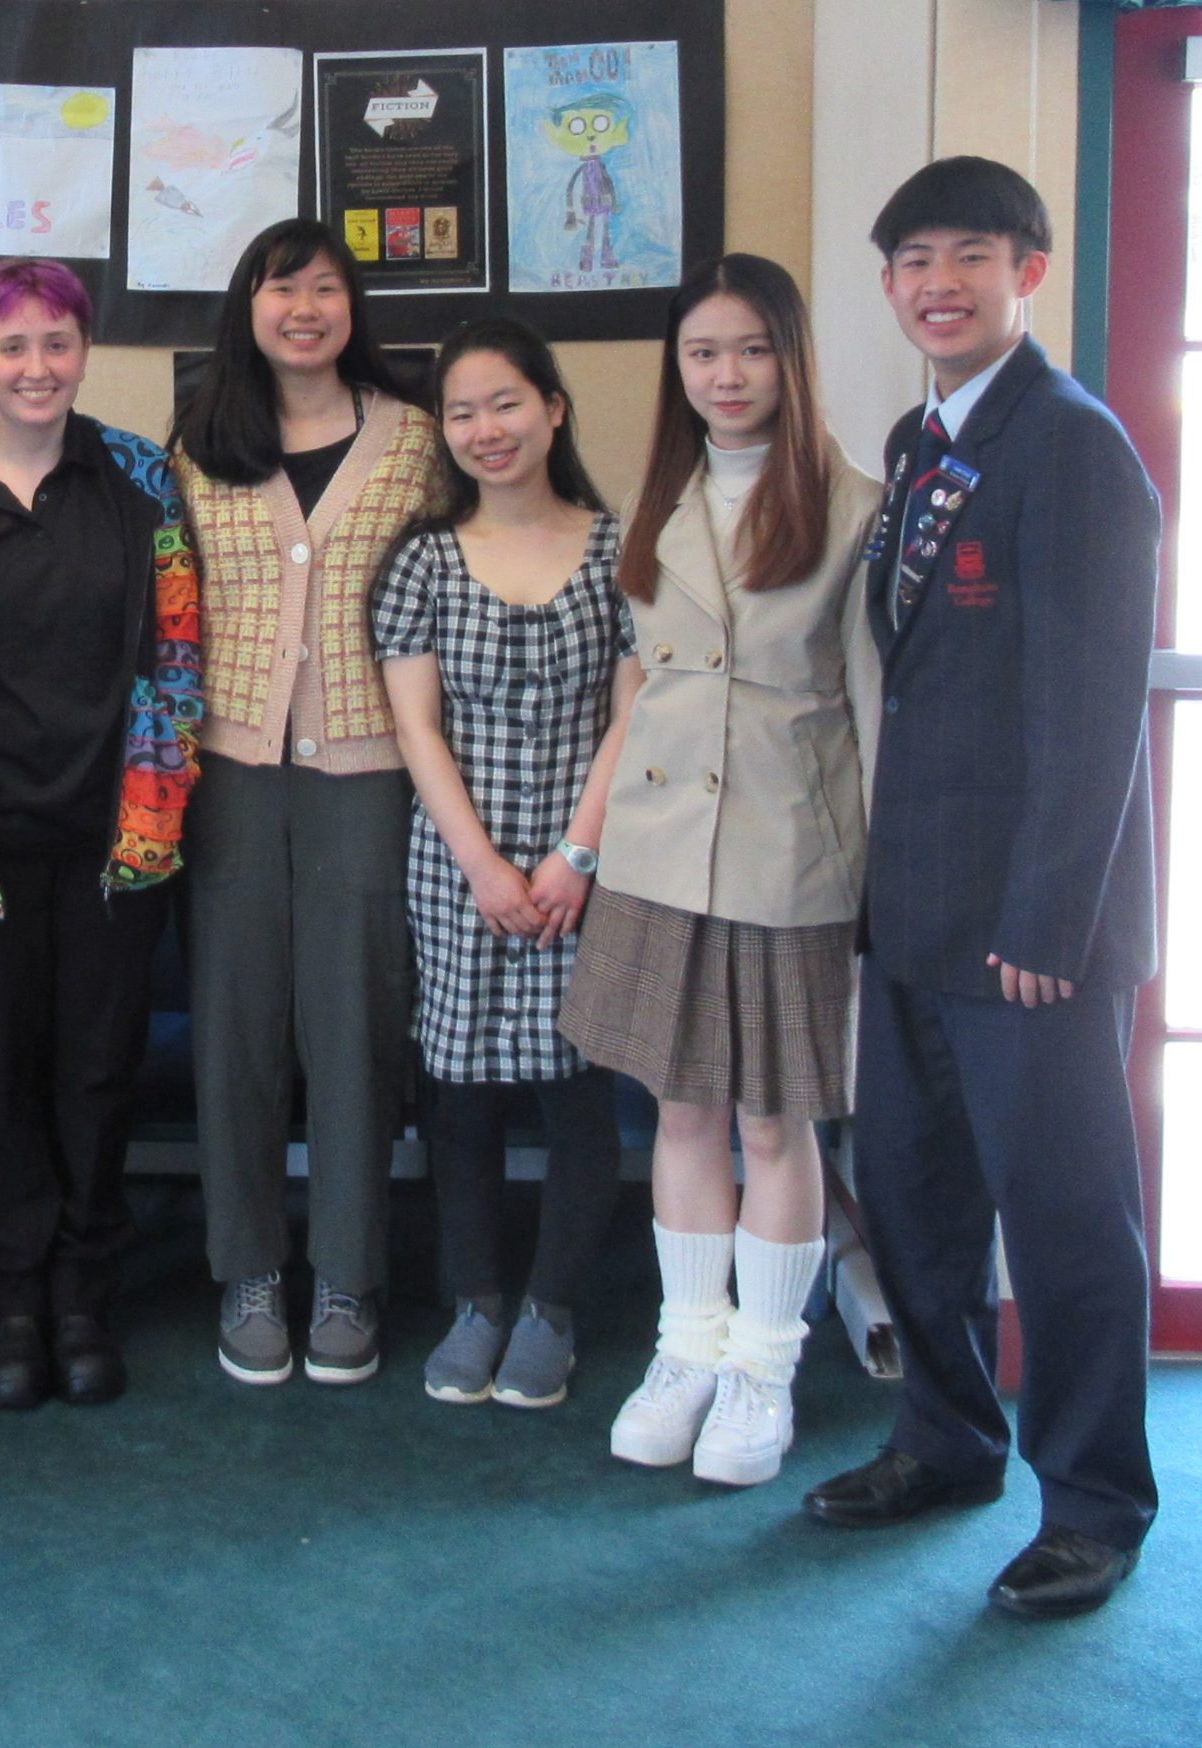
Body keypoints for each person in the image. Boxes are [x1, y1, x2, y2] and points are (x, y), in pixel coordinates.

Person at [801, 158, 1160, 1621]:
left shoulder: (1070, 444)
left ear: (1029, 271)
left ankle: (1094, 1502)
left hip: (1029, 927)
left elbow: (1091, 704)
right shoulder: (922, 436)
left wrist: (1047, 917)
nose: (937, 283)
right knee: (911, 1193)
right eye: (912, 261)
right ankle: (946, 1439)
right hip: (918, 907)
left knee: (1061, 1219)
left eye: (968, 255)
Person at [558, 253, 881, 1486]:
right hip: (656, 857)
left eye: (750, 349)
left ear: (788, 360)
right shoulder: (660, 501)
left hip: (784, 856)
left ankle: (762, 1365)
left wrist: (879, 884)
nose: (726, 374)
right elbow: (638, 691)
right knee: (680, 1107)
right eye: (701, 352)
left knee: (772, 1117)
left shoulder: (855, 508)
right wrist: (587, 844)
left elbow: (873, 711)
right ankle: (685, 1348)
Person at [0, 259, 201, 1410]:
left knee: (97, 1065)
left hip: (118, 827)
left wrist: (161, 795)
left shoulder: (141, 479)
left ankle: (81, 1294)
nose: (35, 366)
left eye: (56, 342)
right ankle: (11, 1295)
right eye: (11, 345)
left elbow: (178, 650)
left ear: (84, 350)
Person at [172, 218, 444, 1387]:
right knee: (233, 1026)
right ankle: (245, 1267)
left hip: (370, 771)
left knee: (353, 1025)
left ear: (351, 308)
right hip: (226, 769)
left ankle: (345, 1271)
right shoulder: (198, 442)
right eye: (280, 290)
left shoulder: (415, 439)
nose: (302, 310)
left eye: (324, 289)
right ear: (247, 308)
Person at [371, 320, 641, 1408]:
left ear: (553, 409)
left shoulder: (620, 550)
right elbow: (416, 729)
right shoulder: (423, 558)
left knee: (577, 1094)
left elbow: (632, 717)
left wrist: (577, 852)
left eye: (507, 404)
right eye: (462, 412)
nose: (486, 429)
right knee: (462, 1097)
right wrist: (482, 864)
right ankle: (476, 1301)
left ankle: (552, 1308)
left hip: (587, 862)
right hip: (457, 867)